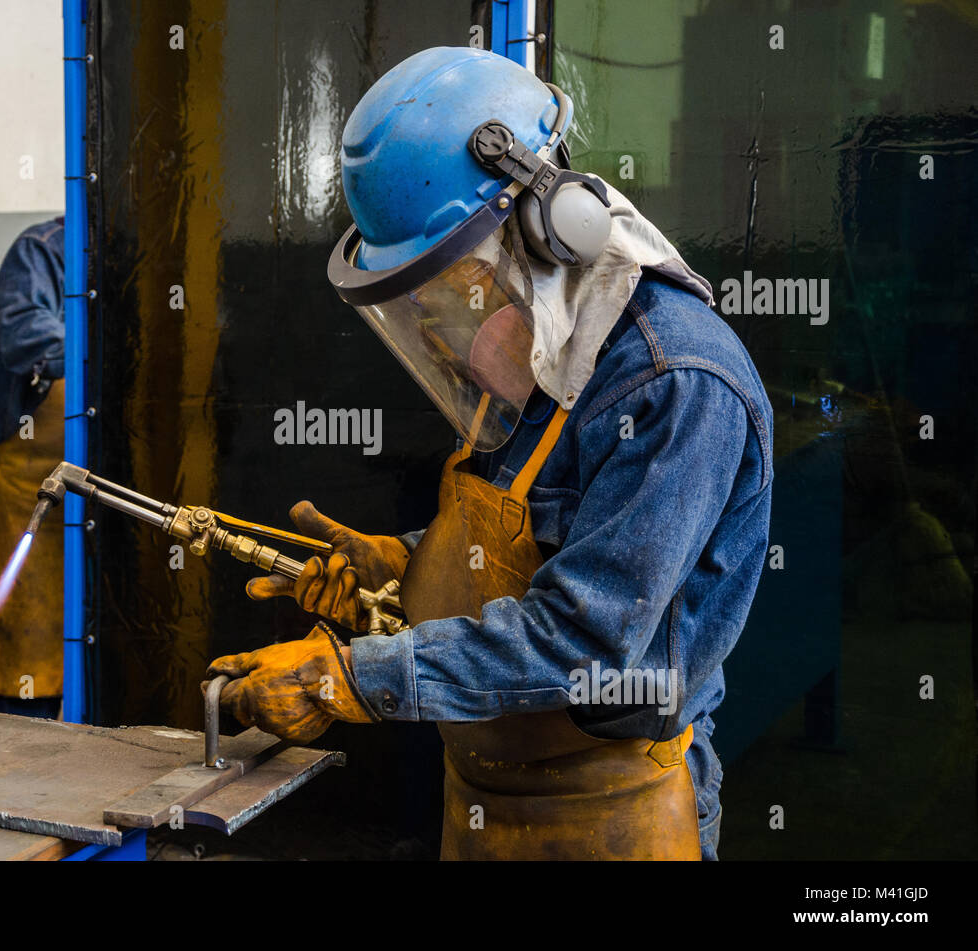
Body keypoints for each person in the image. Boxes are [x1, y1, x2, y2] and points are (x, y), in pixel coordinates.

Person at [206, 48, 773, 860]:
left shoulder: (674, 382)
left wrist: (349, 676)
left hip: (614, 806)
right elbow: (533, 541)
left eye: (450, 288)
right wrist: (404, 565)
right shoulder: (546, 345)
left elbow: (581, 636)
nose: (439, 327)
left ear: (553, 224)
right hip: (484, 801)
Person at [0, 216, 66, 719]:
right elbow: (23, 334)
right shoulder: (41, 251)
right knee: (28, 638)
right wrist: (108, 351)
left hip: (111, 486)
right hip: (33, 484)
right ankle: (23, 758)